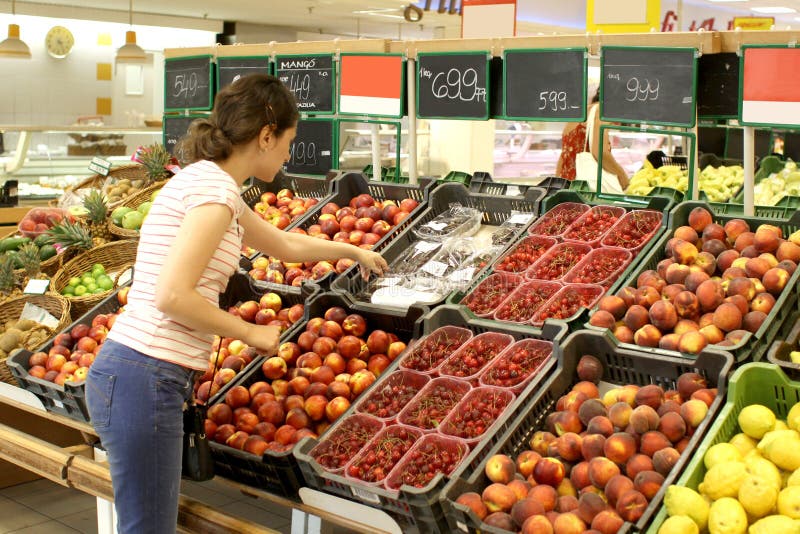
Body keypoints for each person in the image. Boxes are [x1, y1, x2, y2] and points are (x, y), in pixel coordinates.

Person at [85, 74, 387, 534]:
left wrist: (351, 251)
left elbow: (283, 244)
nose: (288, 154)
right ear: (266, 136)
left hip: (140, 375)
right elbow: (172, 295)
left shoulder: (213, 184)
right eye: (288, 141)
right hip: (144, 377)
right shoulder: (216, 192)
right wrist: (248, 331)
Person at [555, 90, 629, 190]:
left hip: (567, 184)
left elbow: (564, 155)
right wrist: (621, 175)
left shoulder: (581, 111)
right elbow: (600, 153)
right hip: (583, 189)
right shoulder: (601, 111)